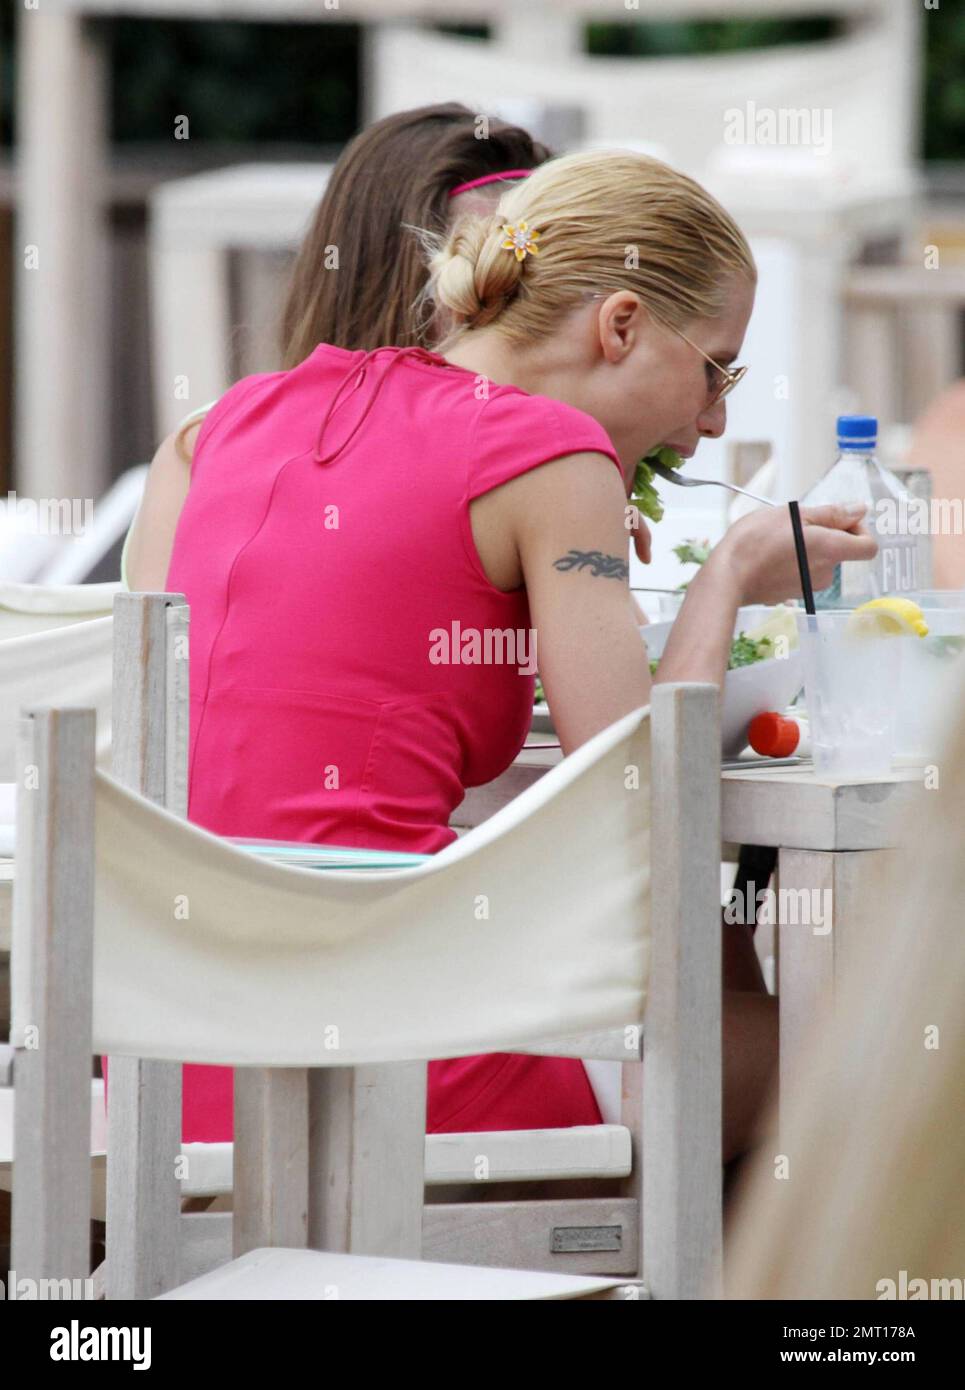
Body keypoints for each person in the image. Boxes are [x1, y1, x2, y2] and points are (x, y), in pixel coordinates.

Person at [123, 143, 876, 1163]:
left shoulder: (229, 421)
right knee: (868, 1062)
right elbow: (641, 812)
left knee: (722, 1002)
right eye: (712, 369)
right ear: (619, 324)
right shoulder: (548, 454)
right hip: (411, 1038)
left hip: (177, 1048)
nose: (709, 421)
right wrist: (728, 577)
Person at [724, 658, 965, 1297]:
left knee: (852, 1053)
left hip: (487, 1020)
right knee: (850, 1059)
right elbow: (638, 768)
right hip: (536, 1046)